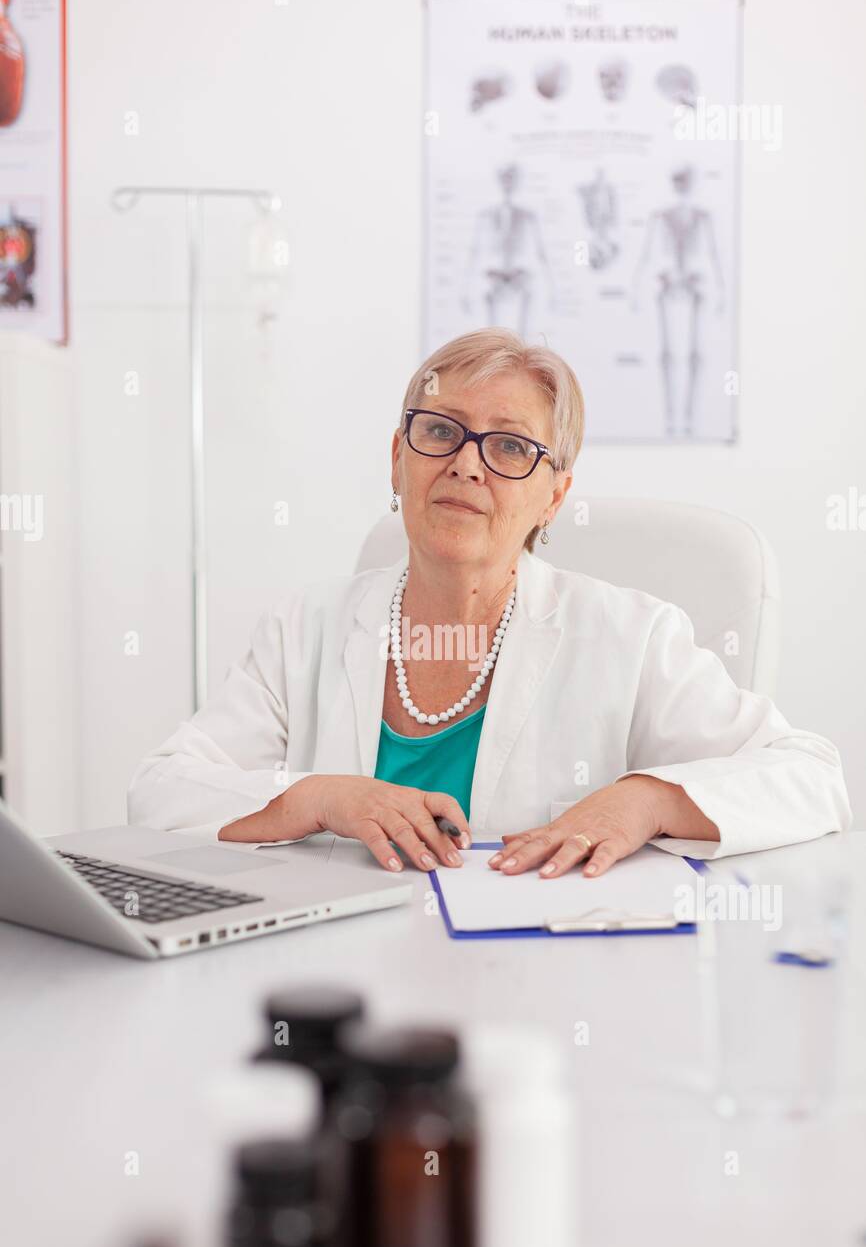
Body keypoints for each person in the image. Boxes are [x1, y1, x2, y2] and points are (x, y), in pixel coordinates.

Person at [128, 328, 851, 880]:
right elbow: (160, 792)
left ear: (554, 494)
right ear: (398, 458)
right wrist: (321, 797)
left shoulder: (631, 636)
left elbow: (812, 776)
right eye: (440, 431)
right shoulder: (303, 628)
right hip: (334, 979)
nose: (466, 463)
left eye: (509, 447)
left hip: (542, 989)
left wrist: (646, 800)